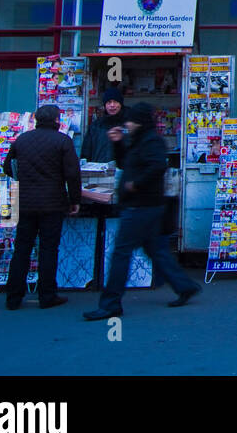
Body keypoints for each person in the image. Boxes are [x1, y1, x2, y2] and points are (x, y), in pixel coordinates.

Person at [83, 102, 201, 320]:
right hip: (144, 205)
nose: (127, 123)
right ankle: (184, 286)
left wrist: (135, 184)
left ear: (139, 121)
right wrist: (117, 144)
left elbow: (157, 167)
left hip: (141, 205)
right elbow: (124, 163)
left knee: (121, 253)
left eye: (130, 120)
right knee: (155, 249)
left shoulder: (151, 141)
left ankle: (110, 303)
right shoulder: (138, 140)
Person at [3, 104, 81, 310]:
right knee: (48, 249)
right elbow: (72, 174)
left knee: (22, 249)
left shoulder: (22, 140)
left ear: (37, 119)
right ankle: (47, 295)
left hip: (26, 202)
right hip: (52, 202)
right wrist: (75, 200)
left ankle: (13, 297)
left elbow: (7, 167)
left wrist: (25, 180)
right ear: (57, 120)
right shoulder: (63, 141)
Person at [79, 87, 124, 163]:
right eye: (109, 102)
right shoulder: (96, 126)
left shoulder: (126, 125)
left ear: (120, 104)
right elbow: (86, 151)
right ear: (105, 105)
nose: (112, 105)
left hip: (120, 171)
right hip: (98, 170)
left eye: (115, 102)